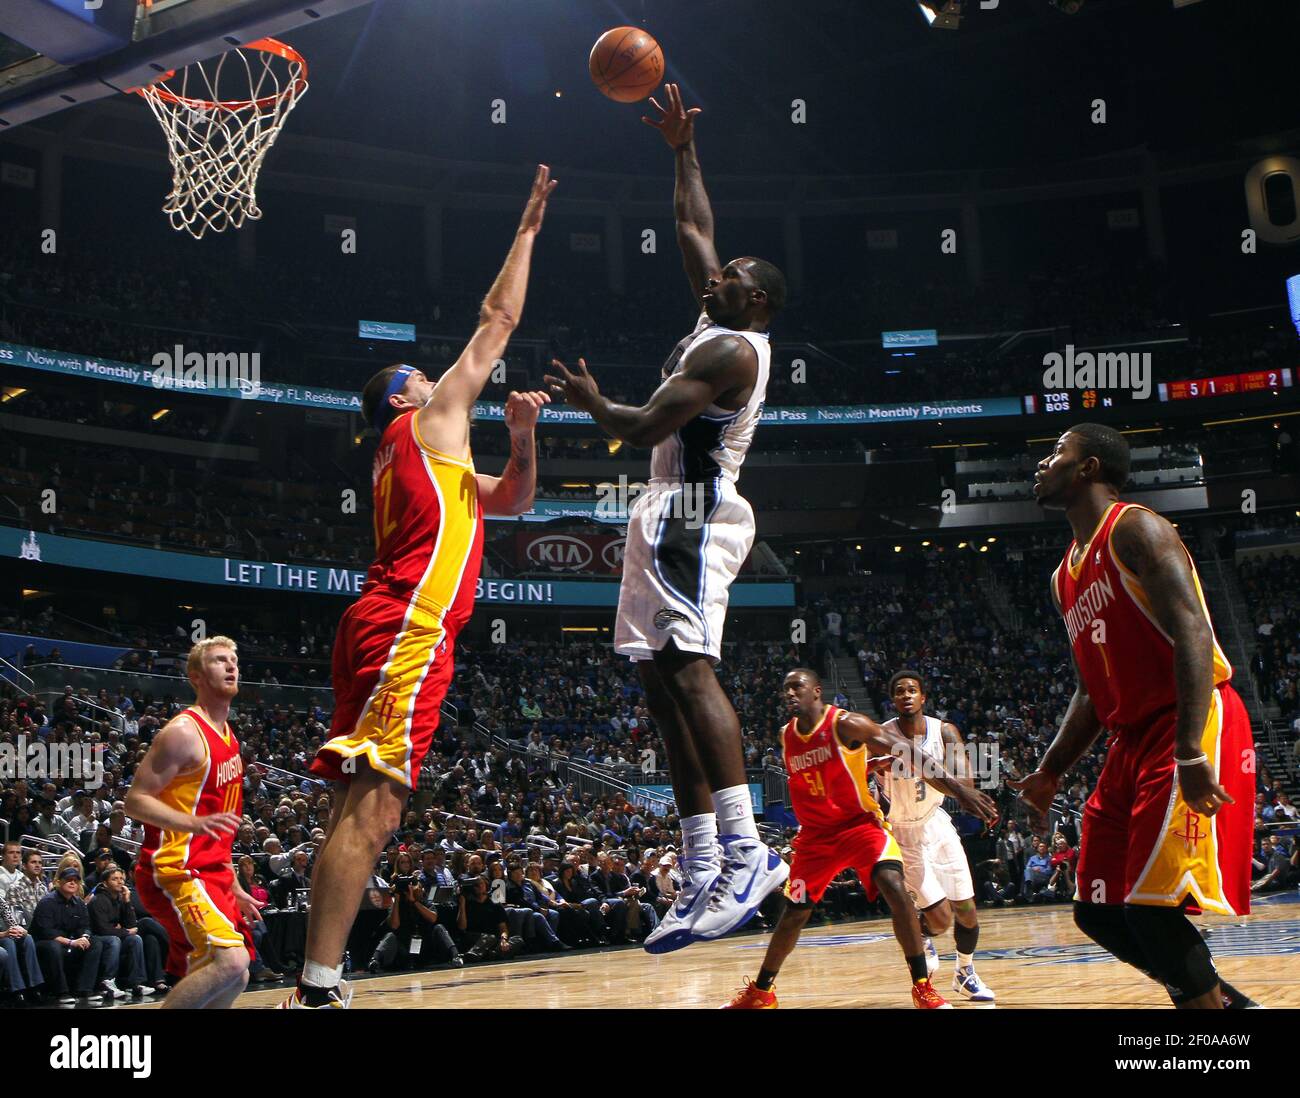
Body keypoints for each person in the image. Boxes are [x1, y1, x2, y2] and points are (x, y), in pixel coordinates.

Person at [283, 168, 556, 1010]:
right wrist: (530, 230)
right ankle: (321, 986)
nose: (437, 377)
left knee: (352, 811)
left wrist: (521, 439)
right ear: (402, 396)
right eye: (419, 374)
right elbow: (498, 321)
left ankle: (316, 982)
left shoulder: (424, 455)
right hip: (408, 624)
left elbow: (513, 501)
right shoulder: (424, 421)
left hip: (375, 622)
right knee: (377, 812)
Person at [545, 84, 789, 953]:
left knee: (689, 670)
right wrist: (683, 148)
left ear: (757, 303)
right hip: (663, 507)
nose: (716, 279)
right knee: (657, 681)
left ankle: (750, 853)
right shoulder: (715, 313)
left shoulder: (730, 346)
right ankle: (698, 868)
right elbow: (695, 233)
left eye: (732, 281)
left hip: (694, 506)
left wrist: (588, 400)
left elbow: (644, 426)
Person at [1014, 423, 1258, 1009]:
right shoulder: (1062, 578)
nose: (1042, 464)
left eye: (1056, 453)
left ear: (1089, 468)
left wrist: (1191, 751)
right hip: (1129, 740)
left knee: (1149, 909)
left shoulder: (1137, 528)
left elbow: (1194, 634)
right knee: (1097, 910)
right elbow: (1091, 691)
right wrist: (1050, 771)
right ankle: (1225, 1003)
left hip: (1187, 723)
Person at [724, 668, 997, 1009]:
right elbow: (826, 773)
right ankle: (761, 991)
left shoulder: (848, 723)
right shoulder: (786, 735)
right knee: (793, 913)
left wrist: (961, 791)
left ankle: (924, 986)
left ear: (817, 691)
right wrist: (866, 767)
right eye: (785, 688)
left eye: (797, 686)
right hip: (816, 838)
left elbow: (910, 754)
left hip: (860, 826)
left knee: (895, 888)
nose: (789, 693)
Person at [126, 637, 259, 1009]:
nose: (232, 666)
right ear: (196, 676)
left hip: (210, 870)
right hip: (174, 867)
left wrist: (233, 884)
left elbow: (221, 832)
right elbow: (134, 800)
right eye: (220, 661)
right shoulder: (183, 732)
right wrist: (192, 823)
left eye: (234, 660)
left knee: (237, 974)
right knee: (232, 960)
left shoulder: (230, 737)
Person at [877, 670, 995, 1001]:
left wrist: (972, 799)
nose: (906, 695)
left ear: (923, 697)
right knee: (940, 919)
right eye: (899, 691)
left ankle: (965, 972)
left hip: (937, 823)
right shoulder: (881, 735)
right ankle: (922, 934)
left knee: (968, 909)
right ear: (893, 700)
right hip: (903, 831)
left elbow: (965, 783)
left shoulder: (944, 731)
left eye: (912, 690)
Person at [32, 866, 111, 1005]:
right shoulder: (47, 902)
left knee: (95, 943)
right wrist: (71, 942)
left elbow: (85, 926)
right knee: (53, 947)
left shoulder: (79, 903)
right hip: (45, 943)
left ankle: (85, 990)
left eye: (75, 880)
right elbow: (46, 932)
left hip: (69, 941)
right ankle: (61, 992)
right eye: (68, 880)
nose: (72, 883)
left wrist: (85, 937)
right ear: (59, 882)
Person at [87, 866, 152, 999]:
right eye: (114, 879)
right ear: (105, 883)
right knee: (114, 940)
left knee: (136, 939)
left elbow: (132, 924)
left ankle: (135, 983)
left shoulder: (119, 899)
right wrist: (126, 932)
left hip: (112, 935)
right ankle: (107, 981)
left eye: (121, 878)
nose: (120, 882)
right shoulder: (97, 900)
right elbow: (102, 929)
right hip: (96, 938)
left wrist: (127, 901)